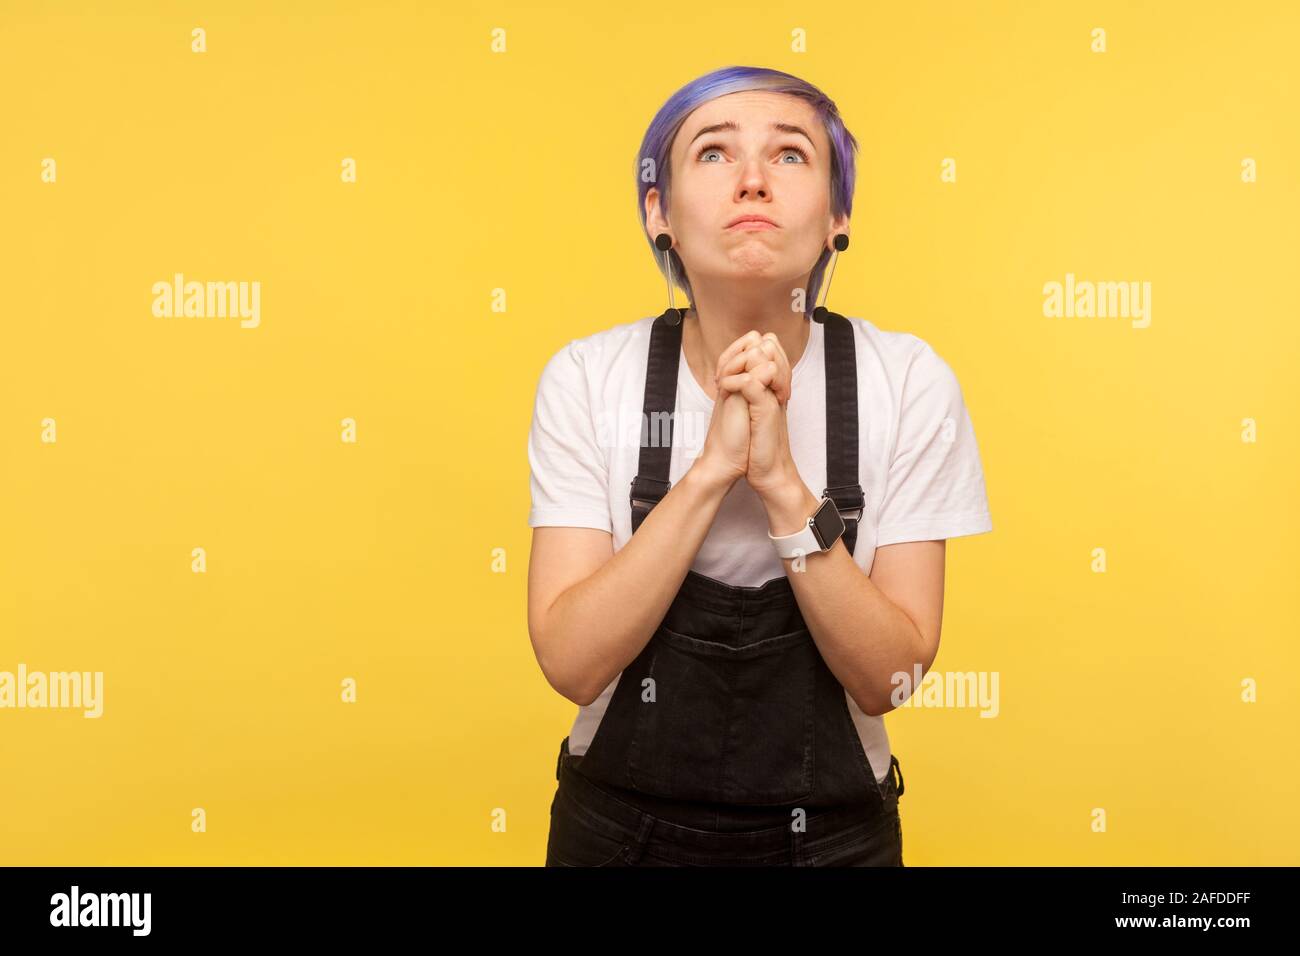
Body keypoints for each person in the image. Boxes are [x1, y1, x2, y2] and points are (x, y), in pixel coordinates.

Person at [526, 66, 992, 866]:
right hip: (619, 838)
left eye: (789, 156)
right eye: (712, 154)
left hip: (836, 843)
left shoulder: (909, 382)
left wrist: (782, 488)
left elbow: (892, 679)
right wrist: (709, 472)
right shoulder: (587, 377)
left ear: (838, 215)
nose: (750, 182)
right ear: (658, 213)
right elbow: (570, 663)